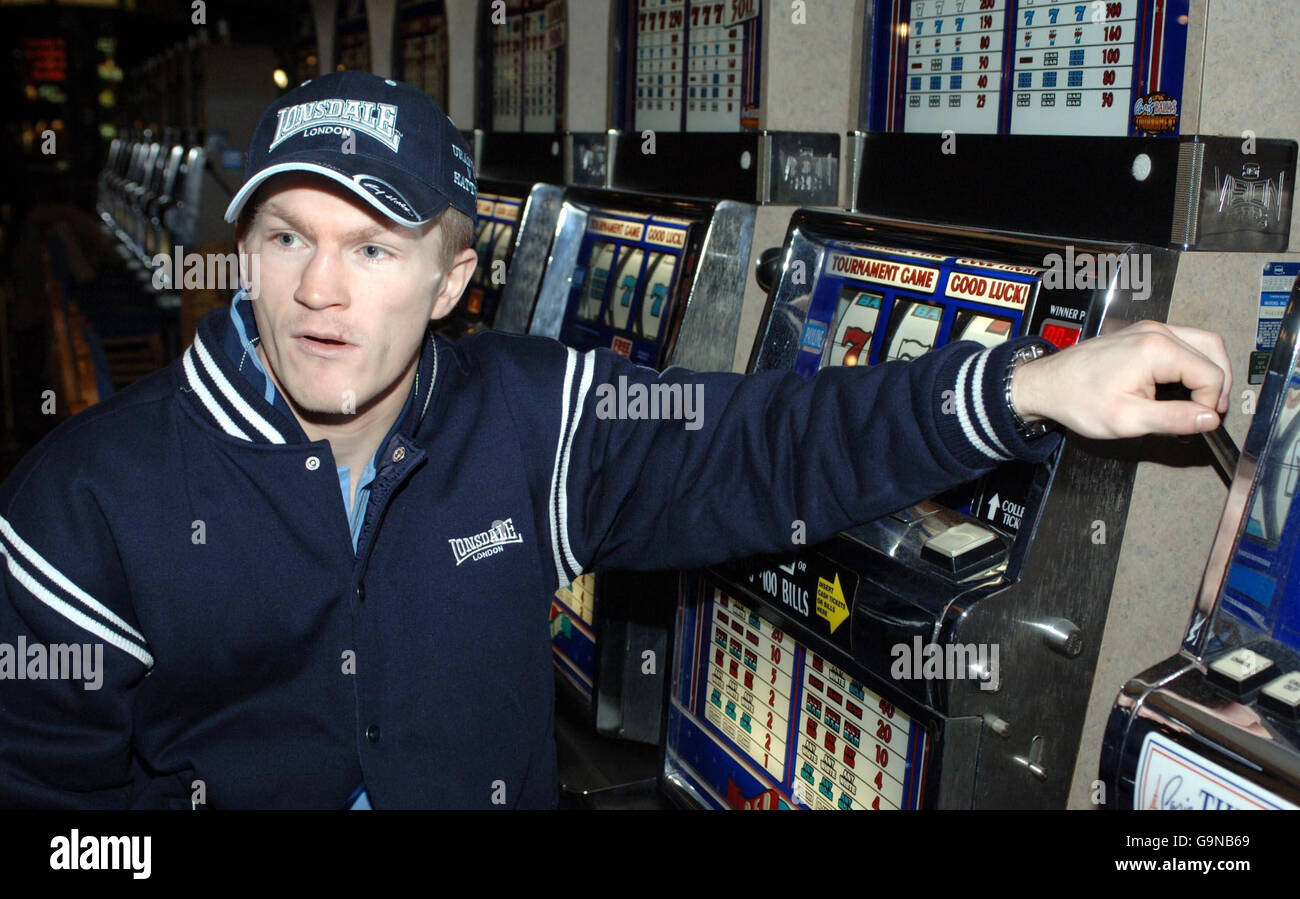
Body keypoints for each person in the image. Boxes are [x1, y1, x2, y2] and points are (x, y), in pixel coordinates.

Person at [0, 73, 1230, 809]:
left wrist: (1036, 383)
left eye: (372, 248)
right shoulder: (84, 500)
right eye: (285, 238)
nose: (320, 290)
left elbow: (762, 440)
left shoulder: (530, 418)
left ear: (452, 280)